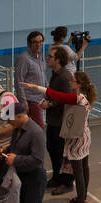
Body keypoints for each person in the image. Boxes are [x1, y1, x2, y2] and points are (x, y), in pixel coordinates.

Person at [24, 70, 95, 203]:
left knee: (78, 170)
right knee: (84, 166)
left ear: (79, 84)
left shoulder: (77, 98)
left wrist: (36, 87)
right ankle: (83, 197)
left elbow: (57, 96)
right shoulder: (84, 97)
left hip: (77, 137)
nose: (70, 82)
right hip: (85, 134)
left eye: (73, 81)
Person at [39, 47, 76, 193]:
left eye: (50, 56)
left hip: (61, 122)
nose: (47, 58)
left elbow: (66, 99)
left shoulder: (64, 77)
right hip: (54, 121)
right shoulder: (55, 74)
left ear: (58, 60)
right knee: (53, 150)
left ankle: (66, 183)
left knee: (62, 153)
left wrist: (51, 104)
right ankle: (56, 177)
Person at [15, 31, 48, 128]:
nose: (38, 45)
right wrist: (24, 103)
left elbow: (43, 76)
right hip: (31, 100)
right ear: (29, 44)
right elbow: (18, 81)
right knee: (40, 128)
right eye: (35, 42)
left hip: (40, 99)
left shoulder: (40, 56)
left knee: (33, 129)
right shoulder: (24, 58)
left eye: (41, 41)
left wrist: (49, 92)